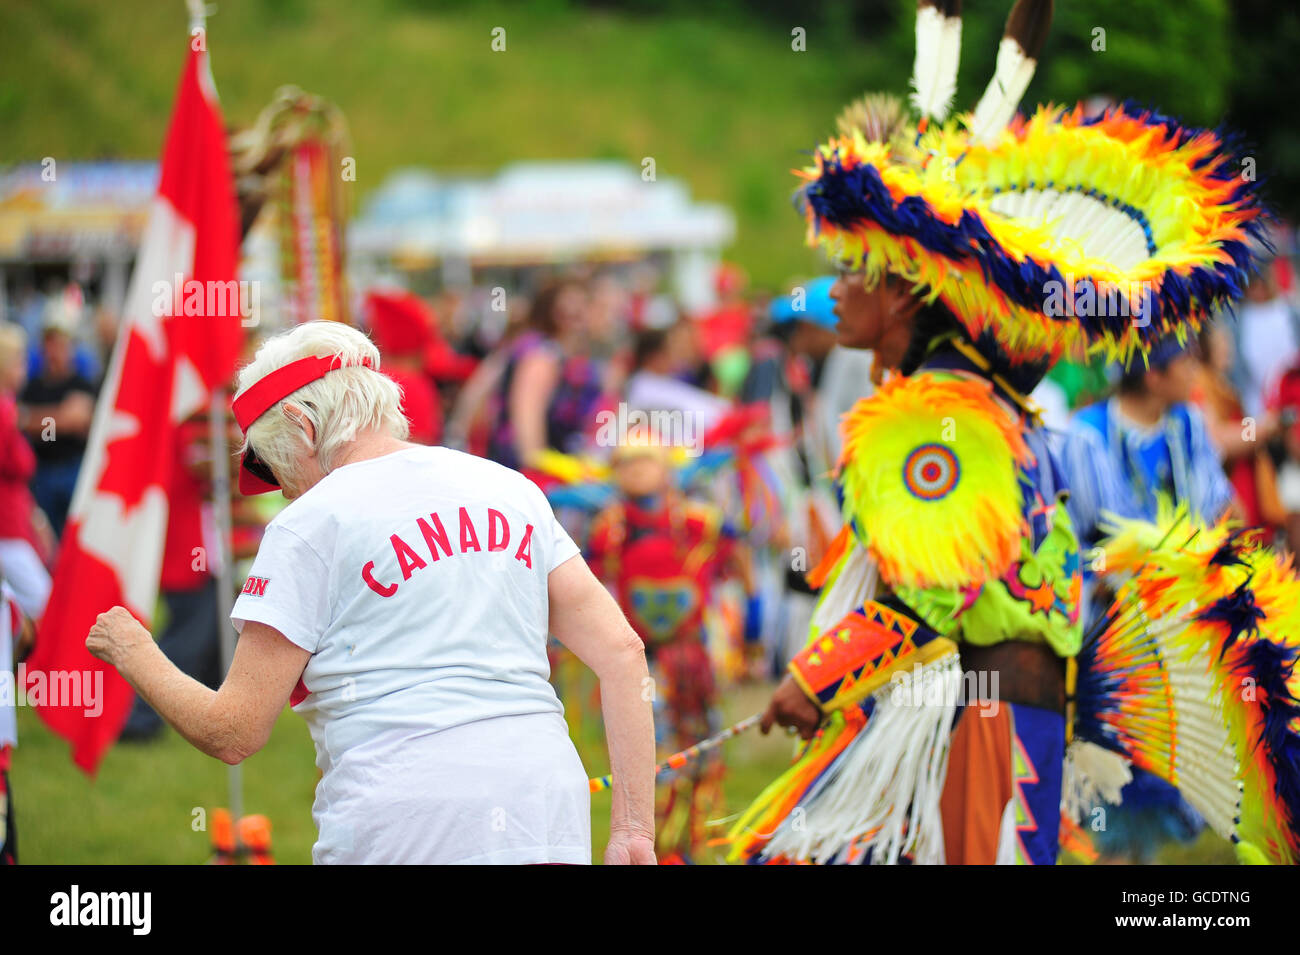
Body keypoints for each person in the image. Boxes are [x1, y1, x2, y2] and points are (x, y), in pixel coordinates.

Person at [730, 0, 1270, 866]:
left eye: (849, 270)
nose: (832, 289)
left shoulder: (932, 416)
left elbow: (932, 590)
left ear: (902, 289)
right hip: (991, 714)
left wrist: (811, 679)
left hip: (982, 722)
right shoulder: (989, 406)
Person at [86, 321, 656, 865]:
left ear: (301, 425)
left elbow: (234, 730)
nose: (283, 490)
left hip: (404, 817)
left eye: (273, 464)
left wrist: (134, 651)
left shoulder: (309, 524)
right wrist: (633, 829)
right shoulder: (510, 488)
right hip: (544, 806)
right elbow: (624, 655)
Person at [0, 323, 52, 621]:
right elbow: (20, 465)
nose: (25, 370)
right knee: (45, 607)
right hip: (7, 528)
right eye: (19, 362)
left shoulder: (10, 408)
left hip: (14, 520)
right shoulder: (5, 410)